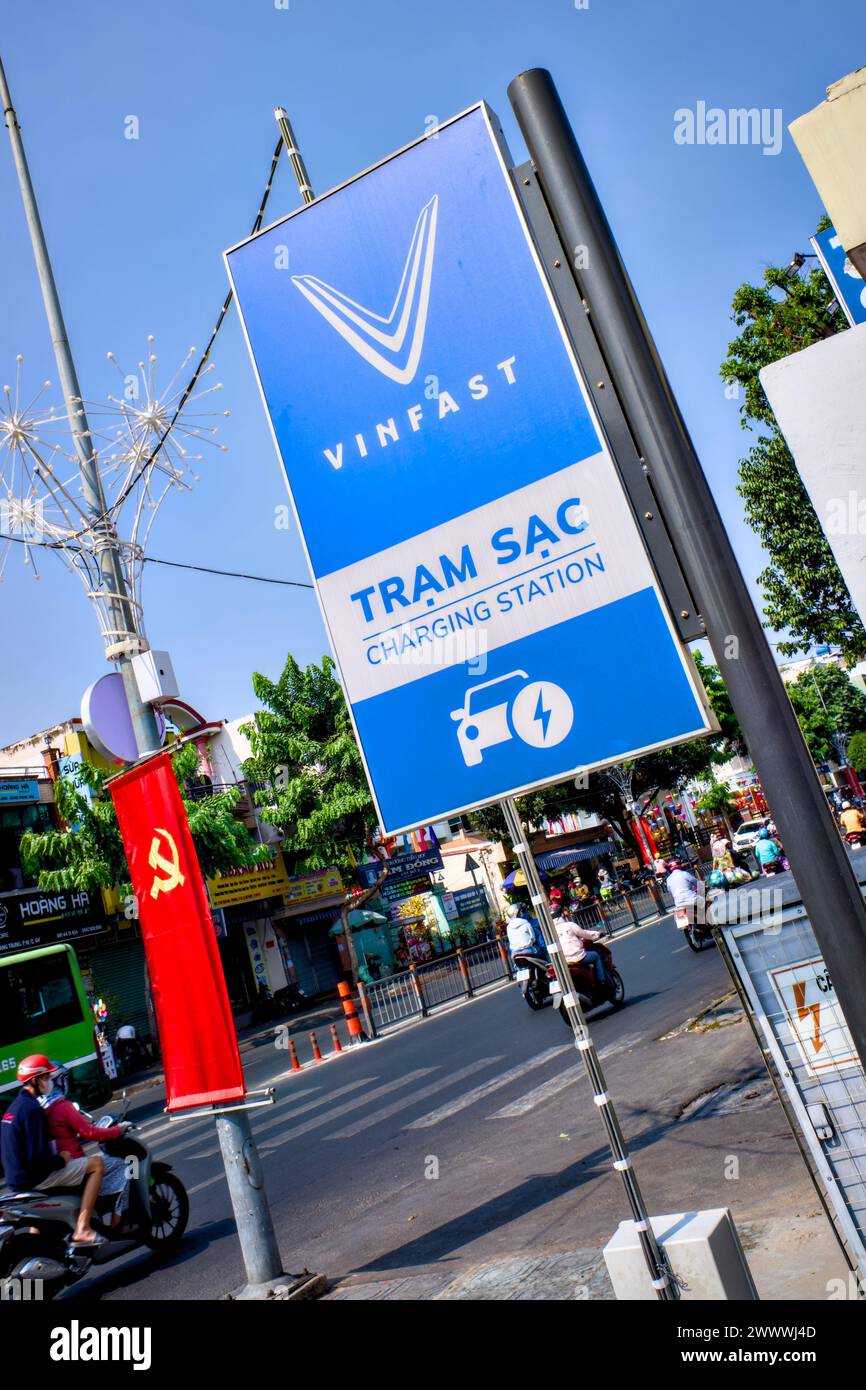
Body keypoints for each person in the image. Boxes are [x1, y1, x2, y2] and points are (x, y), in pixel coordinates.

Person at [0, 1056, 105, 1246]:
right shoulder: (33, 1109)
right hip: (34, 1177)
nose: (50, 1081)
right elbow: (38, 1159)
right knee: (97, 1164)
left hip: (16, 1180)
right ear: (35, 1080)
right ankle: (83, 1228)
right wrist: (61, 1160)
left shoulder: (14, 1108)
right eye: (46, 1077)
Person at [40, 1076, 131, 1229]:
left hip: (54, 1167)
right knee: (126, 1166)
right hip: (73, 1163)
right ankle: (119, 1223)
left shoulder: (41, 1108)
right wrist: (117, 1130)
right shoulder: (63, 1106)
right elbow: (90, 1133)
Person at [551, 902, 606, 987]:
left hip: (564, 961)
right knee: (596, 956)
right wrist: (598, 934)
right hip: (578, 957)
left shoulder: (551, 931)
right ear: (561, 914)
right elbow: (585, 934)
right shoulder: (569, 925)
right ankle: (602, 981)